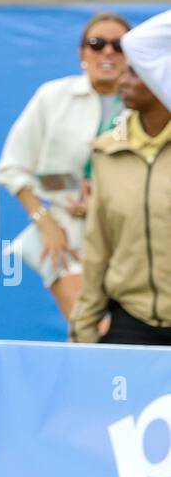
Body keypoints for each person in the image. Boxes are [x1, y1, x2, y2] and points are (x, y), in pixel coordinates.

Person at [0, 13, 131, 323]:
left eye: (119, 45)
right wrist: (46, 224)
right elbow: (11, 168)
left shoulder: (148, 102)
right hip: (68, 234)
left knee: (126, 334)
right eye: (97, 44)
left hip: (128, 236)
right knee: (91, 327)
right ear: (82, 53)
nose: (108, 52)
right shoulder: (53, 97)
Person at [71, 20, 171, 345]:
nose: (122, 81)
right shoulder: (107, 152)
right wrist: (84, 329)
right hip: (130, 322)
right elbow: (98, 247)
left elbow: (143, 37)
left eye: (134, 73)